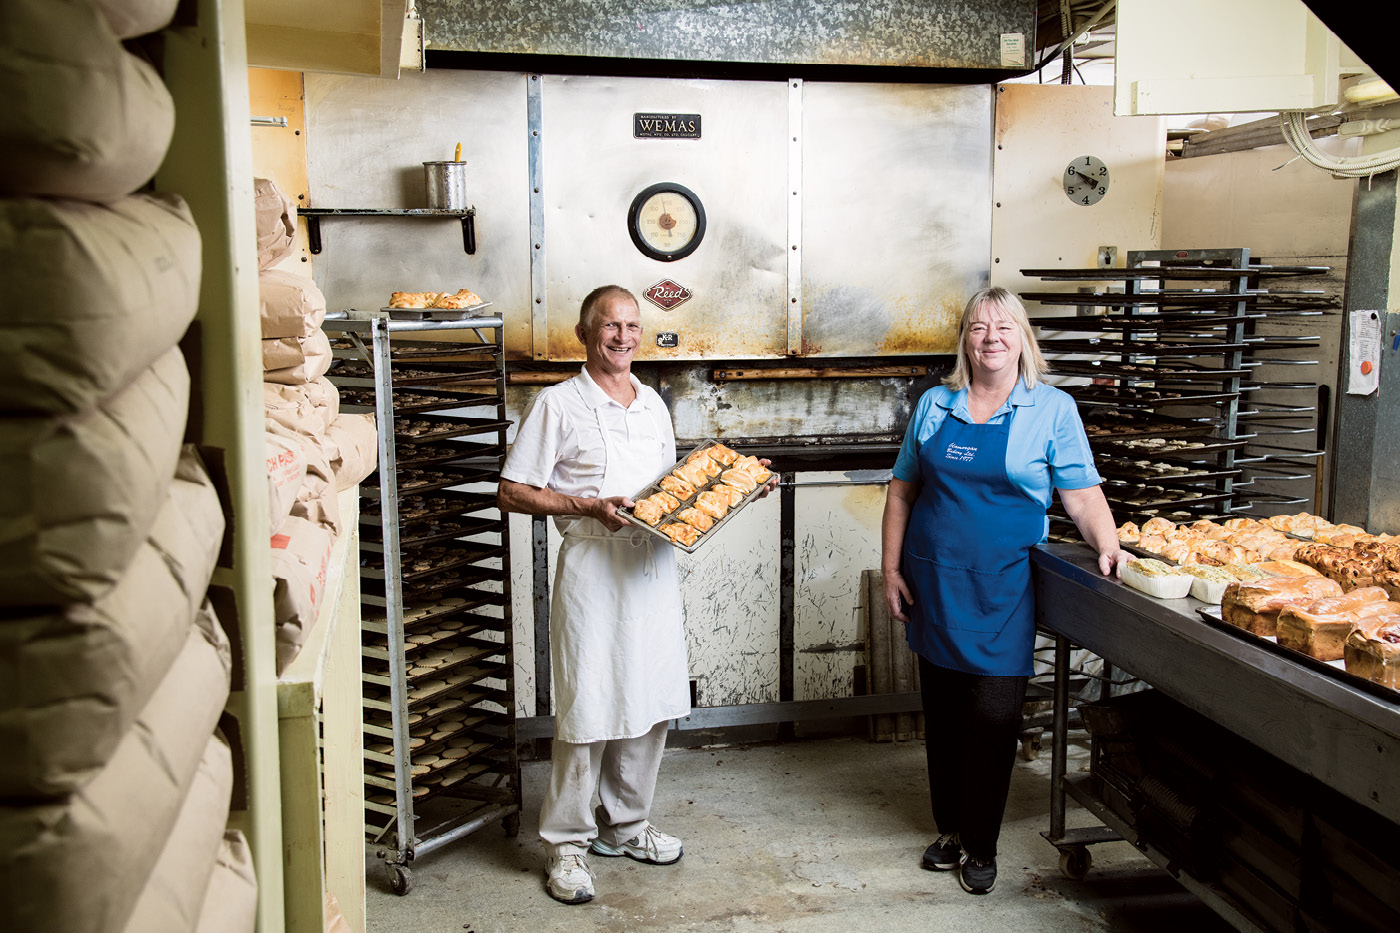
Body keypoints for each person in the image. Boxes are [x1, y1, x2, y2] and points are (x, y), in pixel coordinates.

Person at [497, 284, 775, 905]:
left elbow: (671, 493)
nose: (622, 337)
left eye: (631, 325)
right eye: (609, 326)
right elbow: (512, 490)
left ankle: (625, 825)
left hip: (651, 571)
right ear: (584, 333)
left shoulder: (652, 404)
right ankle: (567, 845)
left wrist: (734, 488)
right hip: (594, 571)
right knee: (588, 707)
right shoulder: (558, 404)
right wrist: (586, 506)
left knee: (649, 699)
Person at [879, 286, 1127, 896]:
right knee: (942, 716)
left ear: (1023, 338)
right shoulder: (936, 404)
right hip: (933, 581)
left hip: (1002, 592)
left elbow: (1081, 491)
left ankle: (981, 845)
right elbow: (902, 490)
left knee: (991, 717)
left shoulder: (1052, 409)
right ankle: (952, 830)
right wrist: (891, 569)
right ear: (965, 339)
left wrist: (1108, 541)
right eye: (978, 327)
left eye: (1003, 328)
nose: (990, 338)